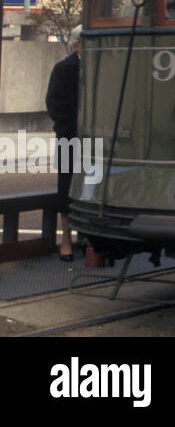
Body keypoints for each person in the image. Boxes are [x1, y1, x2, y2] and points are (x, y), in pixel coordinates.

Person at [45, 27, 81, 260]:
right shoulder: (63, 68)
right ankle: (66, 239)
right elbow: (54, 103)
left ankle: (87, 238)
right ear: (78, 44)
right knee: (66, 189)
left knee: (92, 186)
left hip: (94, 139)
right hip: (70, 138)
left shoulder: (102, 67)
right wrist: (66, 130)